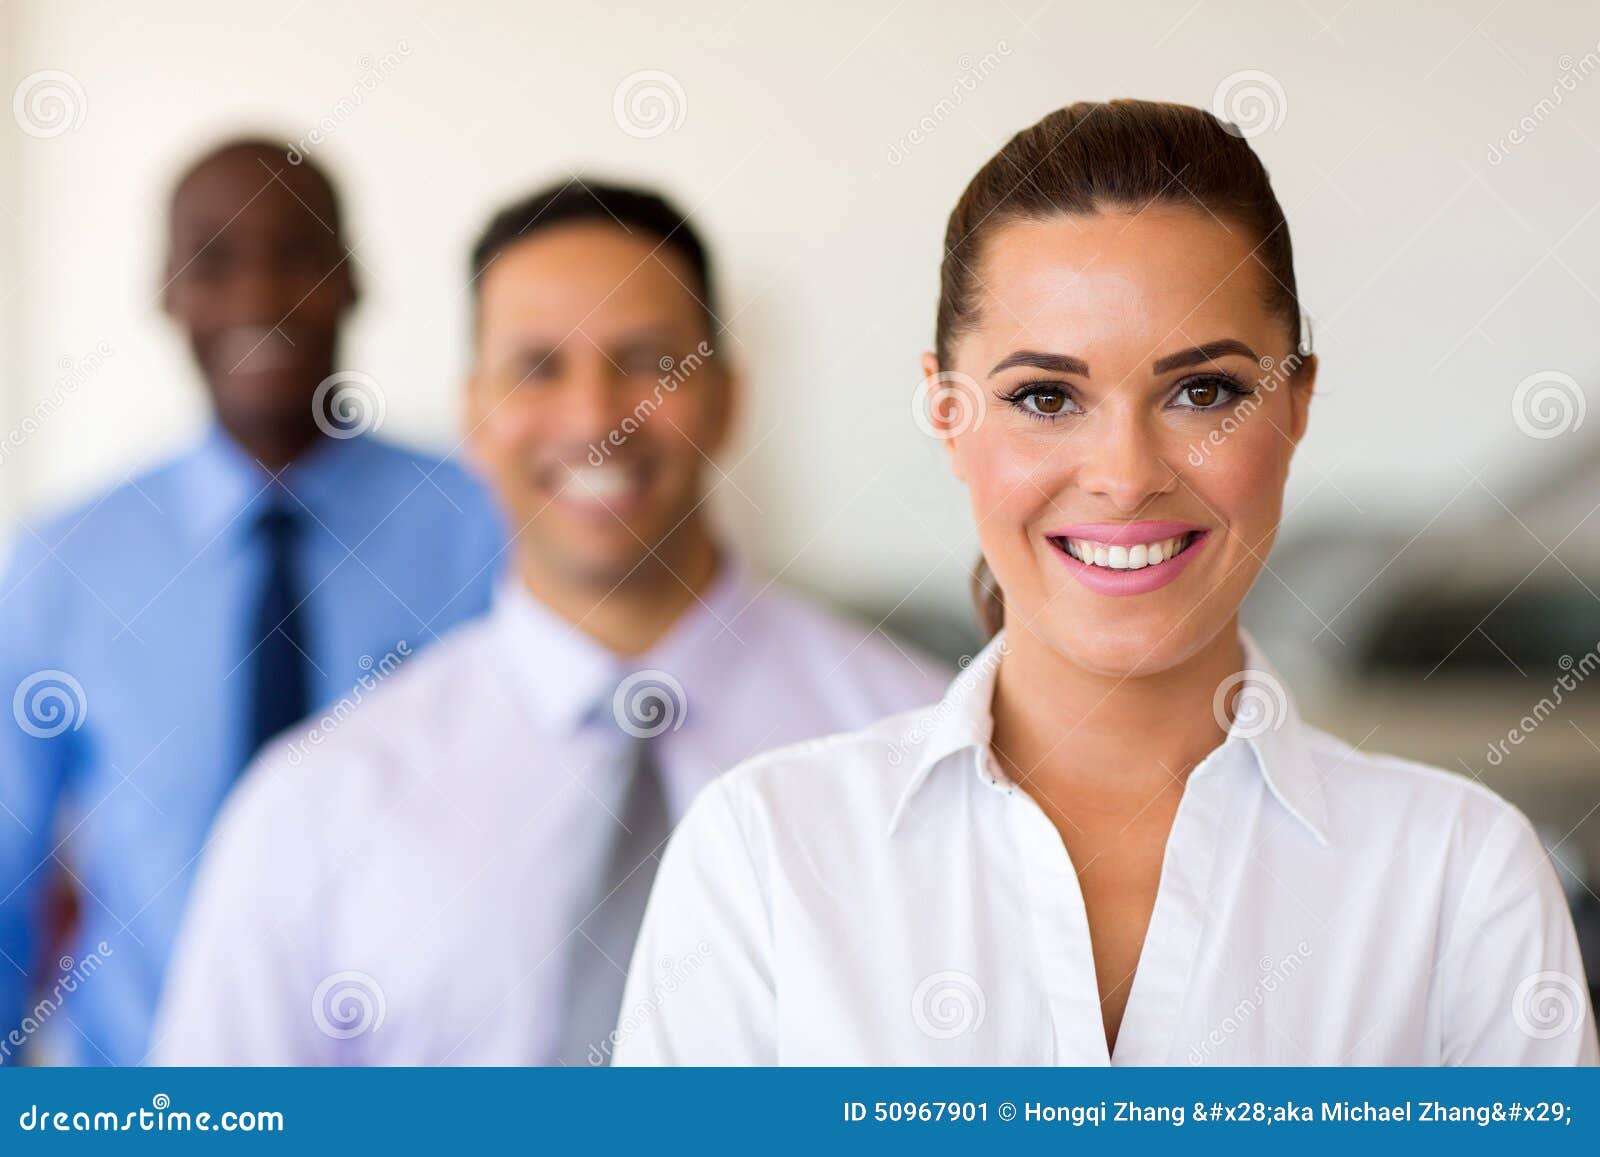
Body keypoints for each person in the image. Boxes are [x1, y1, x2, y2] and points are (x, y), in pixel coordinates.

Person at [614, 100, 1600, 1066]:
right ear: (949, 412)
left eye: (1201, 391)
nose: (1125, 474)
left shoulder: (1459, 878)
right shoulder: (767, 854)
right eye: (1046, 396)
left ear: (1294, 402)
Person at [150, 180, 950, 1066]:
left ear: (726, 398)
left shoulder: (923, 747)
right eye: (537, 367)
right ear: (473, 415)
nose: (594, 417)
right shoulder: (315, 803)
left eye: (647, 360)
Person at [0, 140, 505, 1066]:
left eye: (298, 253)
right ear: (165, 290)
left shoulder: (487, 528)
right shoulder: (63, 562)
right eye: (213, 259)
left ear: (355, 281)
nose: (259, 295)